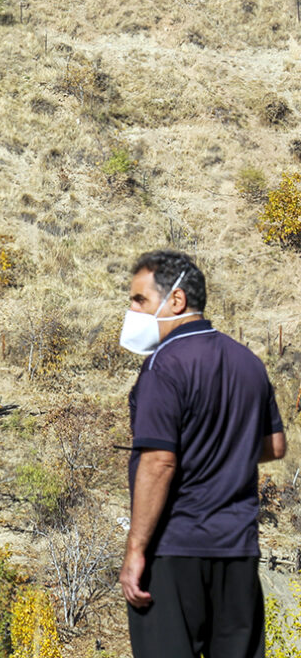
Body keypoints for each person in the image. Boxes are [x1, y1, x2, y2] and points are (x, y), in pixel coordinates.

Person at [118, 249, 287, 658]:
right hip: (238, 551)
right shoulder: (249, 363)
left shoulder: (164, 366)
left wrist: (136, 550)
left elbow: (159, 462)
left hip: (175, 550)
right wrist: (223, 450)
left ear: (175, 300)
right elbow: (275, 445)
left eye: (139, 299)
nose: (132, 309)